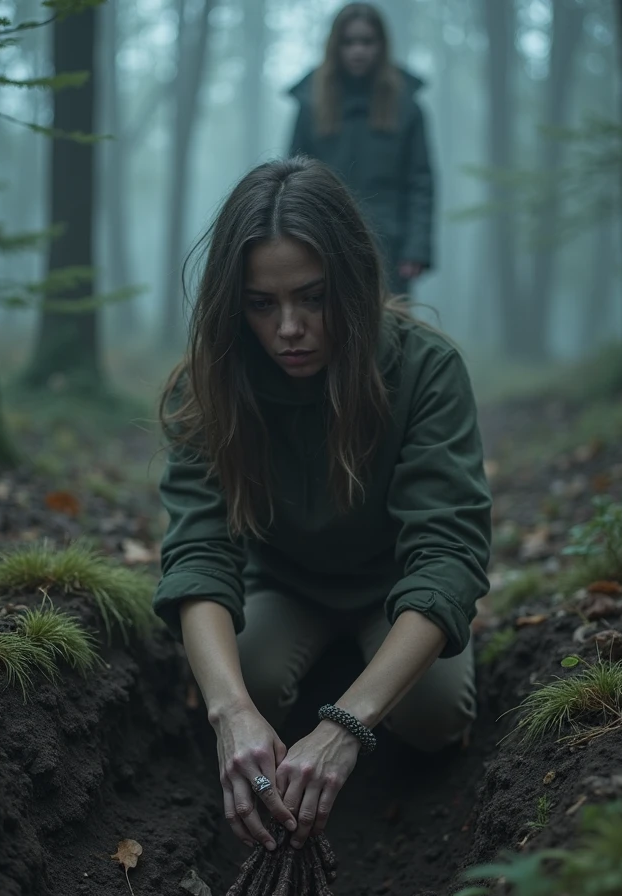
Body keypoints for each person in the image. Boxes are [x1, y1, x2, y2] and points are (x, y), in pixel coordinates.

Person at [154, 157, 490, 856]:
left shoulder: (427, 370)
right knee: (247, 678)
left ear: (353, 281)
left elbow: (448, 556)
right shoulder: (211, 383)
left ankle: (374, 681)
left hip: (397, 588)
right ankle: (297, 690)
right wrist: (230, 713)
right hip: (281, 586)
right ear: (233, 302)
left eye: (313, 297)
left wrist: (346, 726)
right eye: (261, 304)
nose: (289, 327)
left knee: (436, 715)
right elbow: (199, 553)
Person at [288, 2, 434, 296]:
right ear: (336, 46)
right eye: (349, 42)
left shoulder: (406, 106)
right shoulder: (312, 103)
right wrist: (294, 239)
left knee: (389, 322)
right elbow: (292, 178)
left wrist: (416, 248)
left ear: (381, 45)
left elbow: (420, 181)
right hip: (324, 242)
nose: (358, 50)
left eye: (367, 41)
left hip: (389, 246)